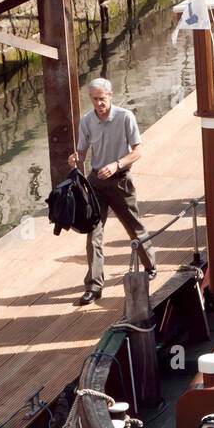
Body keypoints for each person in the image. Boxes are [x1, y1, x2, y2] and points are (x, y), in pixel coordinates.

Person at [68, 79, 156, 304]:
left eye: (102, 98)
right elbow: (81, 152)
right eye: (95, 99)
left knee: (134, 227)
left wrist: (117, 164)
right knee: (94, 235)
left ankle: (150, 265)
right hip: (96, 184)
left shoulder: (126, 117)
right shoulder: (87, 121)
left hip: (120, 182)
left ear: (110, 95)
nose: (99, 104)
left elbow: (137, 151)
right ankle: (94, 286)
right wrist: (75, 159)